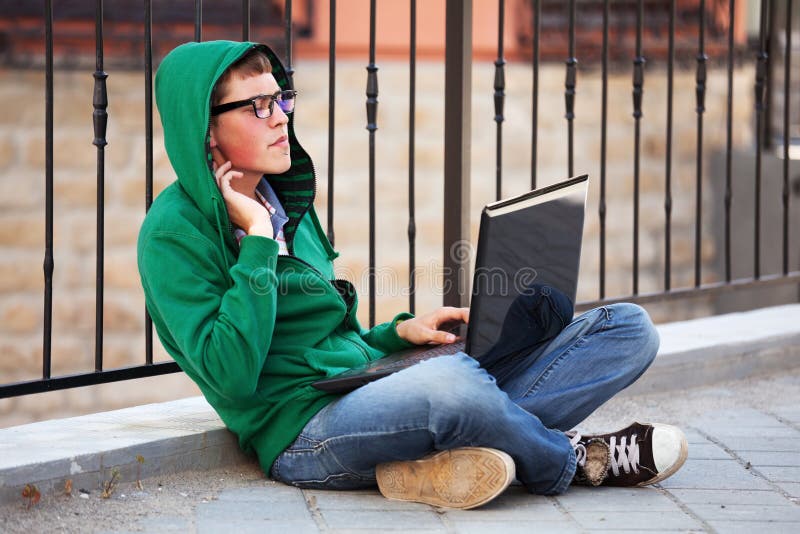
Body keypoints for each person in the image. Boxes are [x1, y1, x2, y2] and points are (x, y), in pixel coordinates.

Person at [138, 40, 687, 510]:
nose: (281, 116)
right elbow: (229, 373)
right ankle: (573, 460)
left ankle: (462, 455)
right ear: (206, 131)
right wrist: (257, 240)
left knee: (627, 328)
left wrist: (397, 334)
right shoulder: (173, 236)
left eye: (280, 98)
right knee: (450, 387)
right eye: (257, 106)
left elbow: (331, 335)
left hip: (368, 388)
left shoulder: (281, 199)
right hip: (302, 432)